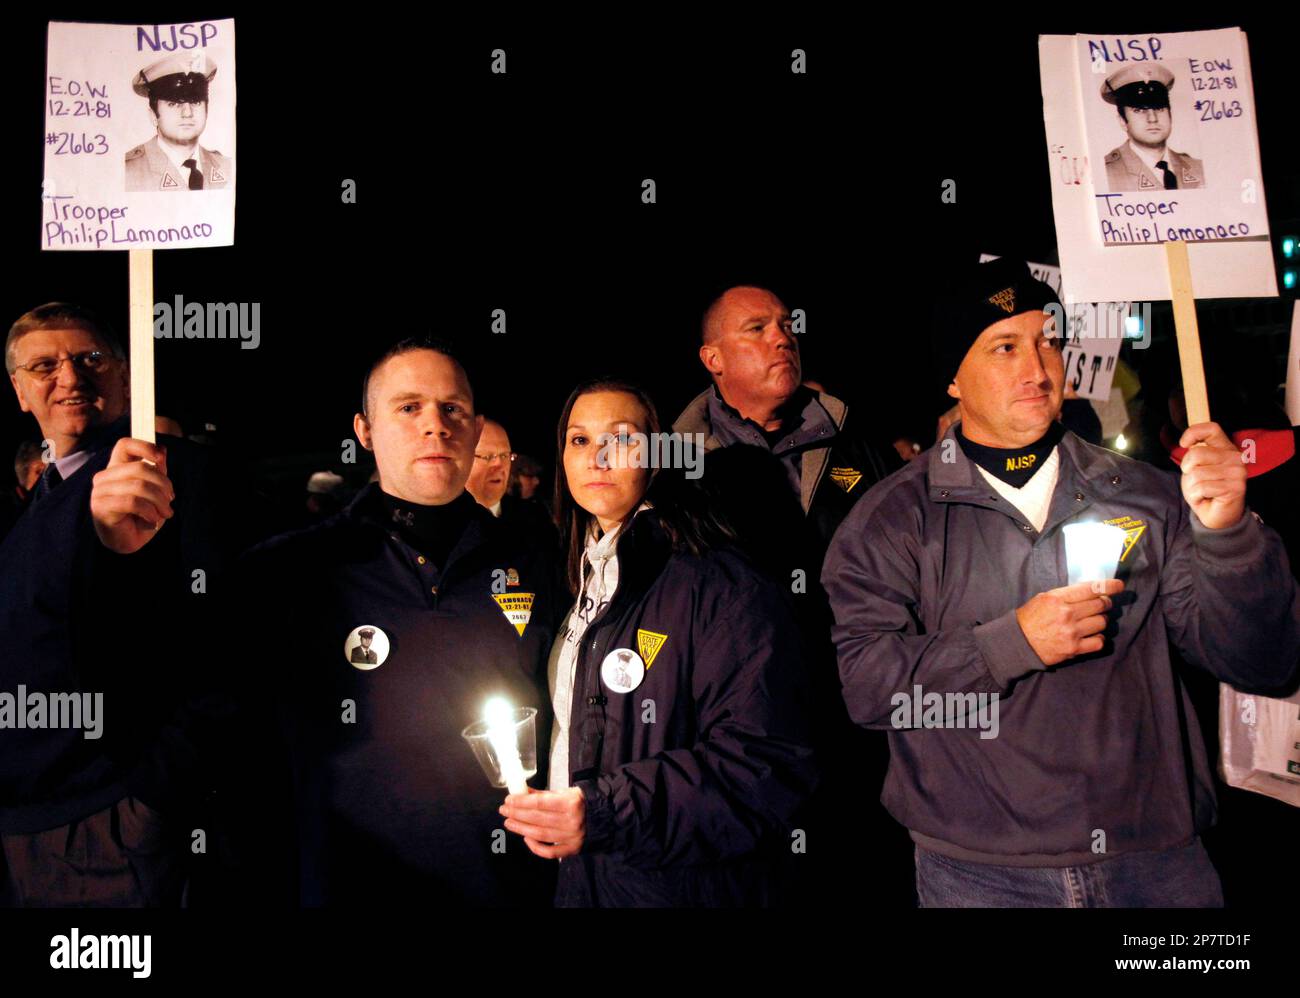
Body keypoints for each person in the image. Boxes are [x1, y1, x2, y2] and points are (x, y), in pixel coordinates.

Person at [822, 257, 1300, 907]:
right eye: (1005, 346)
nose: (1036, 364)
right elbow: (869, 688)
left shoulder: (1149, 494)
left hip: (1155, 862)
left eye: (1048, 339)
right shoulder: (891, 520)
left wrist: (1229, 535)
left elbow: (1261, 660)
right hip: (982, 873)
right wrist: (1010, 642)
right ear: (953, 379)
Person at [231, 335, 561, 906]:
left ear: (478, 429)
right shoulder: (289, 571)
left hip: (502, 884)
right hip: (347, 883)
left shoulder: (535, 558)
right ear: (364, 430)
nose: (435, 425)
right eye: (409, 407)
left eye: (452, 409)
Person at [498, 379, 816, 906]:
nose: (597, 457)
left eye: (620, 438)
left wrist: (603, 812)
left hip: (681, 886)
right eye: (578, 440)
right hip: (585, 880)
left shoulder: (718, 585)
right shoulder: (580, 579)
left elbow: (765, 764)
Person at [672, 285, 906, 905]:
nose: (783, 336)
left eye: (785, 325)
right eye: (756, 328)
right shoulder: (674, 465)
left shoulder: (860, 442)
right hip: (732, 736)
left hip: (854, 732)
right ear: (712, 358)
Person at [1, 302, 227, 906]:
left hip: (111, 822)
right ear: (20, 391)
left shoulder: (174, 474)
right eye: (44, 365)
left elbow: (228, 641)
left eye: (91, 359)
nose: (71, 378)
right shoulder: (42, 496)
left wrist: (150, 795)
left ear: (127, 376)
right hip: (35, 819)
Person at [125, 53, 232, 192]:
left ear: (207, 110)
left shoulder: (228, 168)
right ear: (153, 115)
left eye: (195, 102)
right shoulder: (127, 173)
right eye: (174, 104)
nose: (187, 113)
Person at [1101, 63, 1204, 192]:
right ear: (1122, 121)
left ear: (1170, 115)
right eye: (1139, 110)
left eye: (1159, 108)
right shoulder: (1105, 174)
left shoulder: (1200, 169)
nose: (1152, 118)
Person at [467, 418, 559, 554]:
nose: (499, 466)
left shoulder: (536, 524)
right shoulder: (438, 523)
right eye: (488, 456)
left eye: (504, 456)